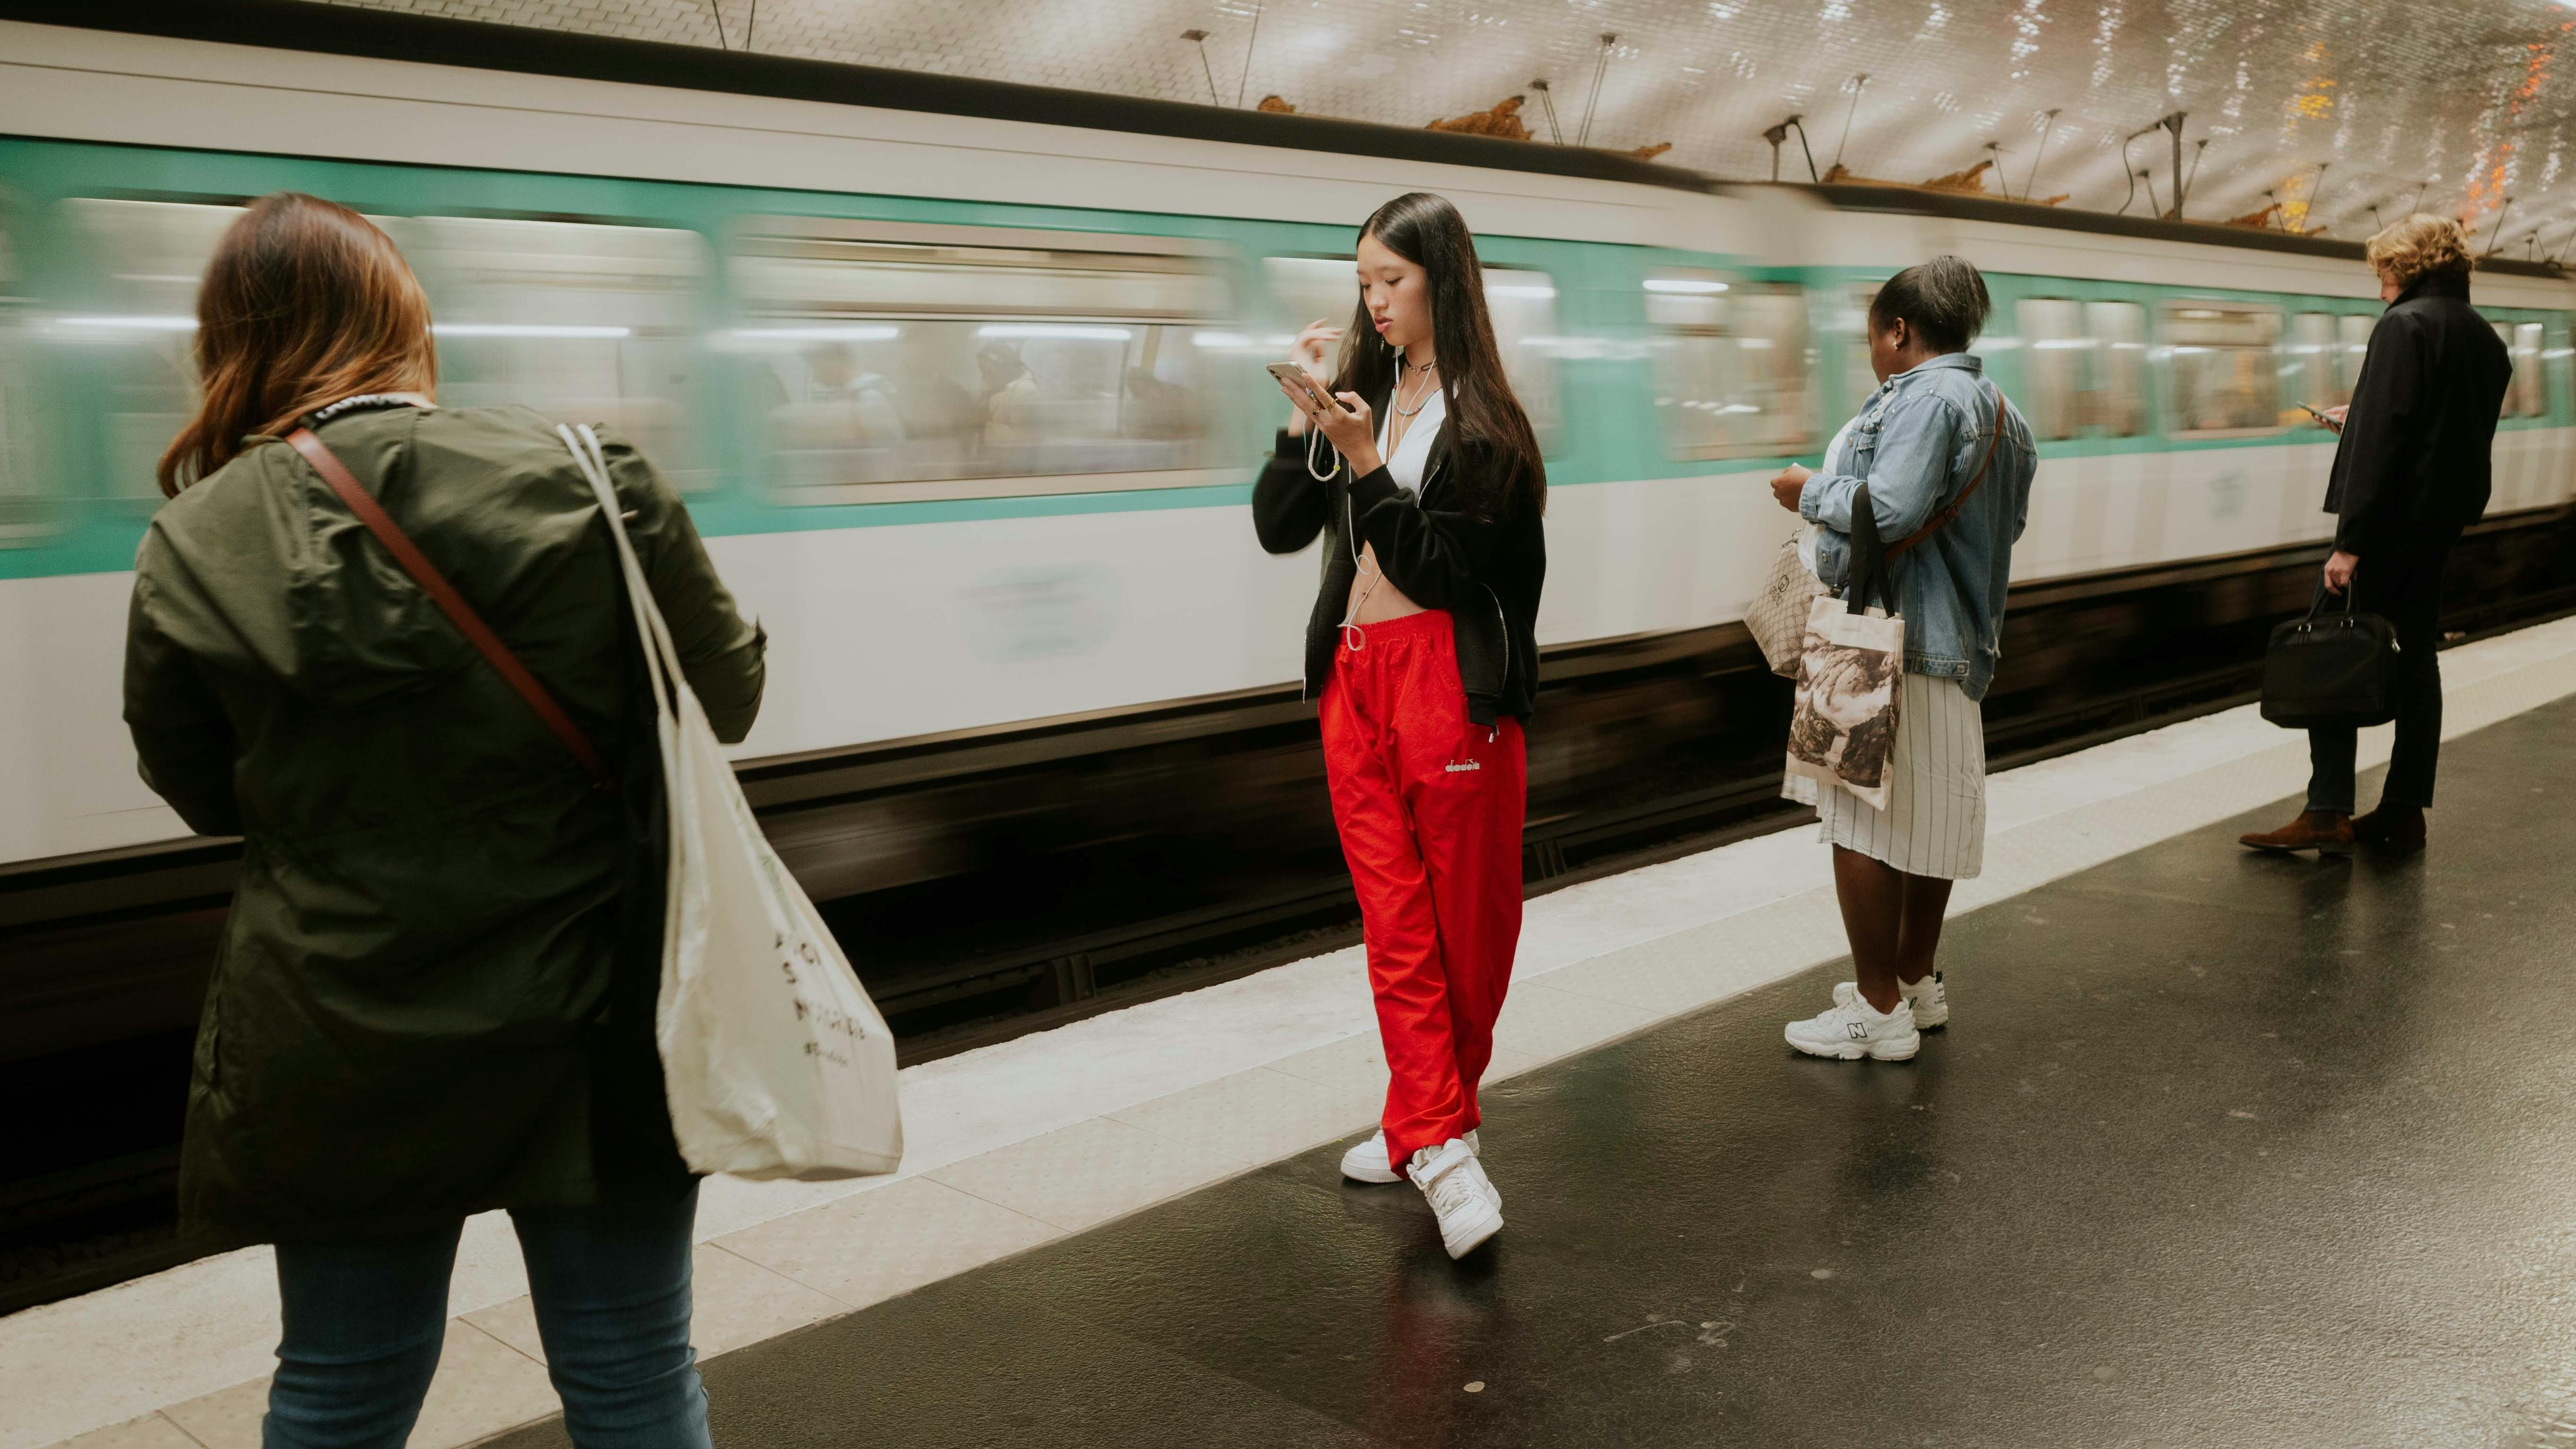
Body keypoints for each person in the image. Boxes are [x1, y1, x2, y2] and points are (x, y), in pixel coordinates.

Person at [124, 192, 765, 1448]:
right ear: (405, 321)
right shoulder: (593, 474)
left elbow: (200, 789)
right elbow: (726, 696)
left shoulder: (195, 536)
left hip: (338, 1011)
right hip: (591, 1000)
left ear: (228, 345)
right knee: (634, 1371)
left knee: (339, 1388)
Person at [1252, 191, 1545, 1259]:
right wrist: (1308, 426)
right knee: (1394, 921)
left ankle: (1425, 1122)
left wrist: (1369, 462)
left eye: (1393, 280)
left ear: (1442, 282)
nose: (1373, 301)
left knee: (1465, 928)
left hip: (1446, 684)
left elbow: (1440, 571)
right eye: (1363, 281)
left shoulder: (1484, 423)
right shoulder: (1365, 396)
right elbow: (1278, 526)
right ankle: (1437, 1143)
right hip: (1357, 678)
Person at [1765, 257, 2036, 1062]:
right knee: (1928, 825)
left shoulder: (1922, 398)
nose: (1873, 356)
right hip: (1954, 643)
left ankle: (1876, 1008)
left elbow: (1886, 510)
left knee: (1858, 822)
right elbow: (2004, 529)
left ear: (1898, 329)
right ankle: (1914, 982)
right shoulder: (2004, 413)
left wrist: (1807, 490)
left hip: (1883, 641)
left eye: (1873, 339)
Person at [2239, 215, 2511, 857]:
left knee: (2330, 647)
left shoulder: (2401, 325)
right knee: (2416, 661)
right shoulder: (2482, 336)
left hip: (2386, 525)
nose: (2379, 283)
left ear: (2409, 267)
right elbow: (2437, 425)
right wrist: (2357, 416)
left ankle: (2327, 810)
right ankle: (2404, 809)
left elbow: (2386, 440)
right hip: (2438, 523)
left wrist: (2349, 542)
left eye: (2384, 270)